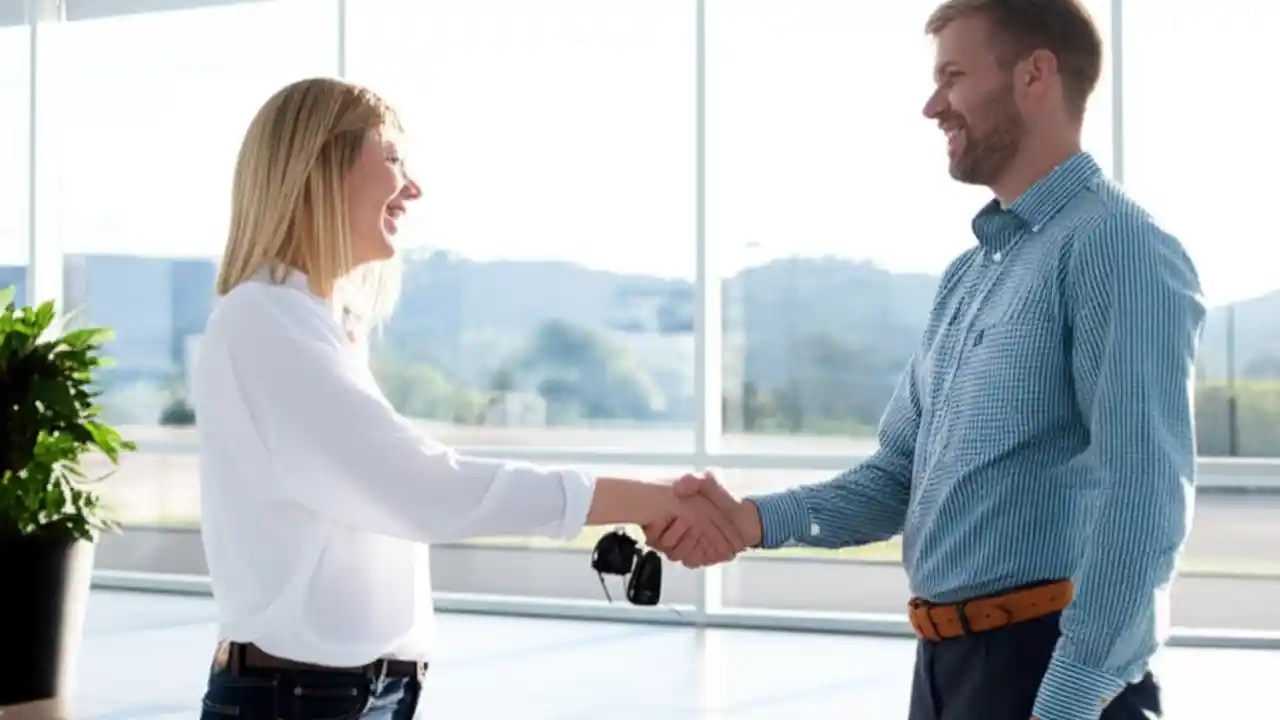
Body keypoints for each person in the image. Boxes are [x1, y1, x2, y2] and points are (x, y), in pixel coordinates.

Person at [646, 1, 1204, 719]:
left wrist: (1064, 706)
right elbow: (897, 478)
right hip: (947, 673)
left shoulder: (1117, 248)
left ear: (1036, 74)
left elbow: (1145, 501)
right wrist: (749, 520)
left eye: (954, 76)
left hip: (1049, 675)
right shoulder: (967, 278)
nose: (932, 105)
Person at [191, 77, 741, 720]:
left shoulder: (313, 323)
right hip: (301, 700)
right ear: (319, 163)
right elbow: (424, 490)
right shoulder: (265, 320)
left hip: (353, 694)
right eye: (393, 157)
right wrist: (645, 498)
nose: (413, 187)